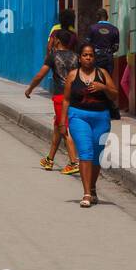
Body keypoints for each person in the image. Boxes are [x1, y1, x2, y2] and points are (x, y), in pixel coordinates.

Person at [63, 43, 119, 207]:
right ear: (79, 58)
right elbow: (66, 99)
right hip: (78, 116)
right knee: (85, 151)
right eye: (85, 55)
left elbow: (115, 95)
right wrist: (61, 121)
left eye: (91, 55)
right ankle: (86, 193)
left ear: (94, 58)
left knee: (96, 155)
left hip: (101, 118)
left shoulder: (102, 74)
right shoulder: (73, 75)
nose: (88, 58)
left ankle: (92, 187)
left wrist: (103, 87)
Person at [24, 30, 80, 176]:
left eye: (54, 38)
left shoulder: (53, 56)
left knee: (63, 128)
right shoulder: (76, 56)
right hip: (75, 96)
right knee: (57, 126)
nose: (52, 40)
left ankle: (74, 162)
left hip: (61, 97)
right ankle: (49, 159)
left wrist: (30, 89)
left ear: (58, 41)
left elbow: (40, 75)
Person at [85, 9, 119, 75]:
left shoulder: (92, 28)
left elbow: (87, 45)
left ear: (97, 16)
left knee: (95, 78)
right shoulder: (114, 29)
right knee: (108, 80)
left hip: (96, 58)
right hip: (109, 58)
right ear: (107, 17)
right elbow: (116, 47)